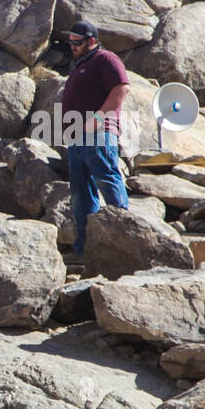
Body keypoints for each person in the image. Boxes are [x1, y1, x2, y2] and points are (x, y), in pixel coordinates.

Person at [59, 19, 131, 257]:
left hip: (98, 133)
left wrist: (97, 120)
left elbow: (121, 89)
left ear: (92, 40)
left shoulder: (106, 59)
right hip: (76, 137)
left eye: (77, 42)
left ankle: (125, 239)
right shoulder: (81, 63)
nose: (72, 46)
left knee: (107, 179)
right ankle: (85, 252)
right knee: (81, 192)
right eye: (70, 42)